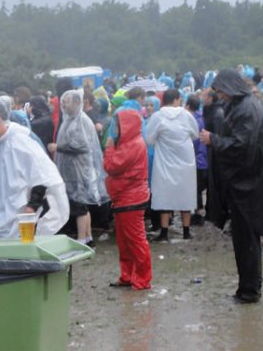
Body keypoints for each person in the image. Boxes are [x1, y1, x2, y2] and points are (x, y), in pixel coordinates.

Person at [199, 70, 263, 304]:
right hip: (243, 181)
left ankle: (250, 290)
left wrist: (213, 139)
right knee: (243, 239)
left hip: (247, 184)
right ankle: (247, 287)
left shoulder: (246, 108)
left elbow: (241, 145)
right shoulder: (242, 104)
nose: (220, 96)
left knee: (247, 239)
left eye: (221, 91)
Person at [0, 107, 68, 240]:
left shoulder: (21, 141)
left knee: (15, 246)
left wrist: (33, 205)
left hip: (18, 212)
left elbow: (42, 176)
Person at [104, 105, 152, 290]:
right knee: (125, 242)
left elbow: (111, 166)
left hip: (130, 198)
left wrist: (109, 148)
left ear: (126, 126)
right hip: (125, 197)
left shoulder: (133, 145)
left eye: (118, 125)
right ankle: (128, 276)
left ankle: (142, 279)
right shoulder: (130, 143)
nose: (115, 129)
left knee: (135, 241)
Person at [146, 88, 199, 241]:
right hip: (185, 161)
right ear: (177, 99)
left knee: (164, 194)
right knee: (186, 194)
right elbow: (195, 134)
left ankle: (164, 232)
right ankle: (186, 232)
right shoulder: (186, 115)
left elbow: (149, 138)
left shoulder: (157, 116)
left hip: (165, 161)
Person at [51, 90, 101, 245]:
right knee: (81, 204)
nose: (63, 104)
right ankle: (88, 237)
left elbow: (82, 145)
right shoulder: (70, 119)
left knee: (79, 206)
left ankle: (81, 239)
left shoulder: (81, 120)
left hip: (79, 170)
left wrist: (59, 147)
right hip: (72, 170)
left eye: (66, 101)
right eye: (63, 101)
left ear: (77, 102)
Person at [186, 94, 209, 224]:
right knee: (200, 187)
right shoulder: (203, 117)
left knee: (196, 188)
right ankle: (201, 212)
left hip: (197, 158)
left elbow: (193, 141)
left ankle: (198, 214)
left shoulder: (191, 120)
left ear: (188, 106)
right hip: (205, 156)